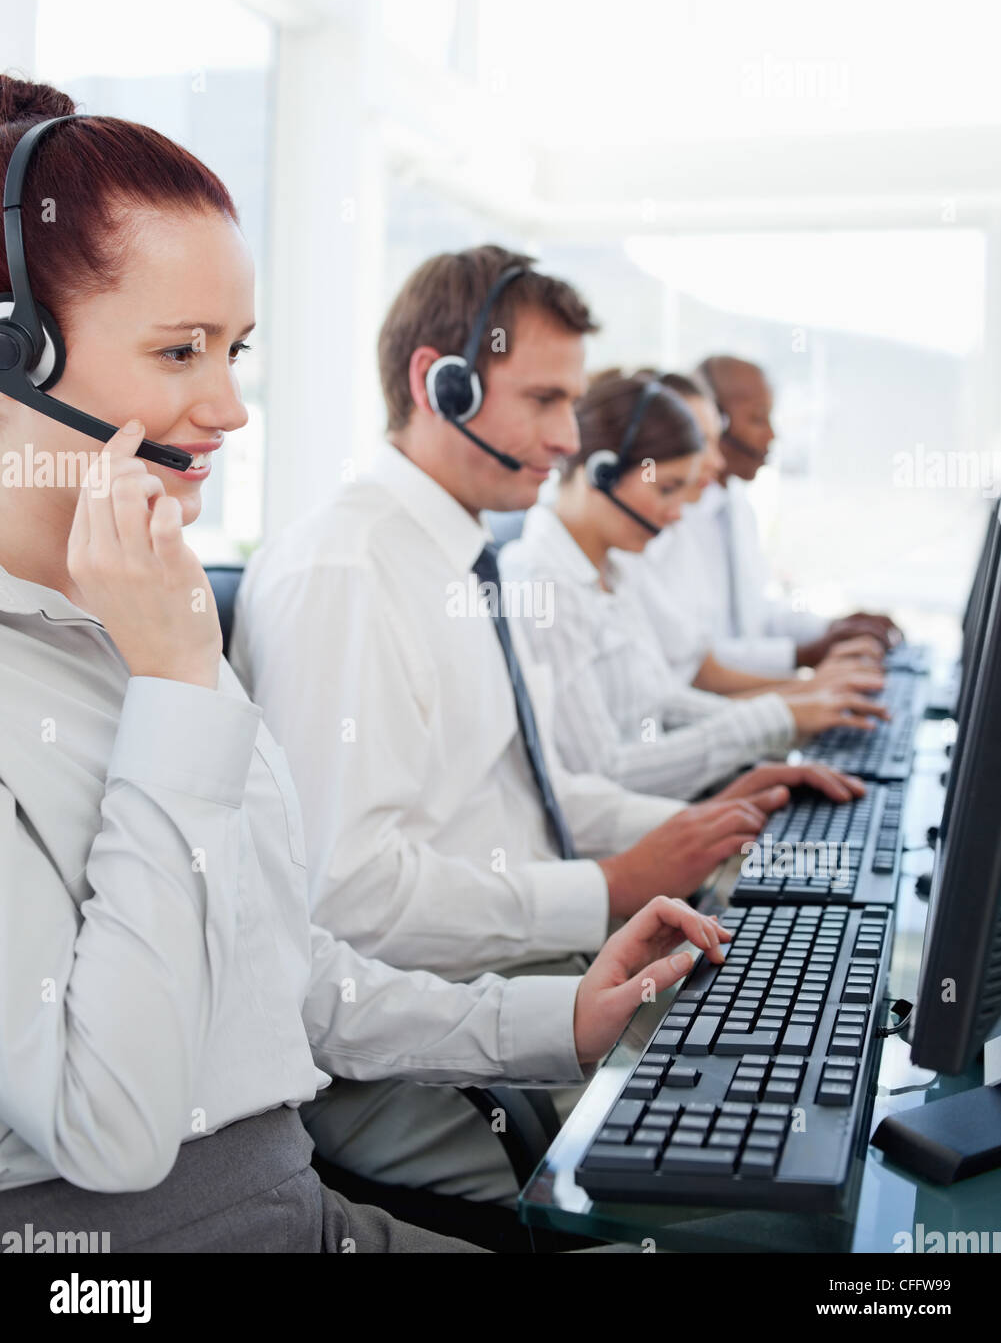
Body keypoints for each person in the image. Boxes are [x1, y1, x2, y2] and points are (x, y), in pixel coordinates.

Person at [0, 76, 731, 1254]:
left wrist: (562, 1018)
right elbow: (113, 1130)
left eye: (235, 350)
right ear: (15, 353)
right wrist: (179, 690)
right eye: (180, 349)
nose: (230, 407)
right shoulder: (157, 647)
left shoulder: (142, 614)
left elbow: (282, 966)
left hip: (297, 1206)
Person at [232, 245, 864, 1204]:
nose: (571, 438)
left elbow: (525, 785)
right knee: (743, 1180)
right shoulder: (350, 574)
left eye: (572, 403)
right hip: (408, 1035)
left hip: (515, 966)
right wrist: (602, 887)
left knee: (807, 1069)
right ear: (436, 383)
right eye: (541, 401)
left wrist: (668, 834)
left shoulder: (453, 554)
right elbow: (349, 902)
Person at [500, 368, 886, 799]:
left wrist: (786, 716)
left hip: (664, 808)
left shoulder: (614, 570)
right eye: (666, 489)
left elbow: (663, 702)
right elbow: (603, 773)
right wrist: (777, 717)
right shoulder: (544, 588)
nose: (676, 513)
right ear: (601, 474)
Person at [612, 370, 888, 692]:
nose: (772, 436)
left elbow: (756, 618)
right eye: (757, 419)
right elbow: (695, 671)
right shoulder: (661, 524)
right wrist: (804, 676)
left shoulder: (737, 505)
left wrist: (833, 629)